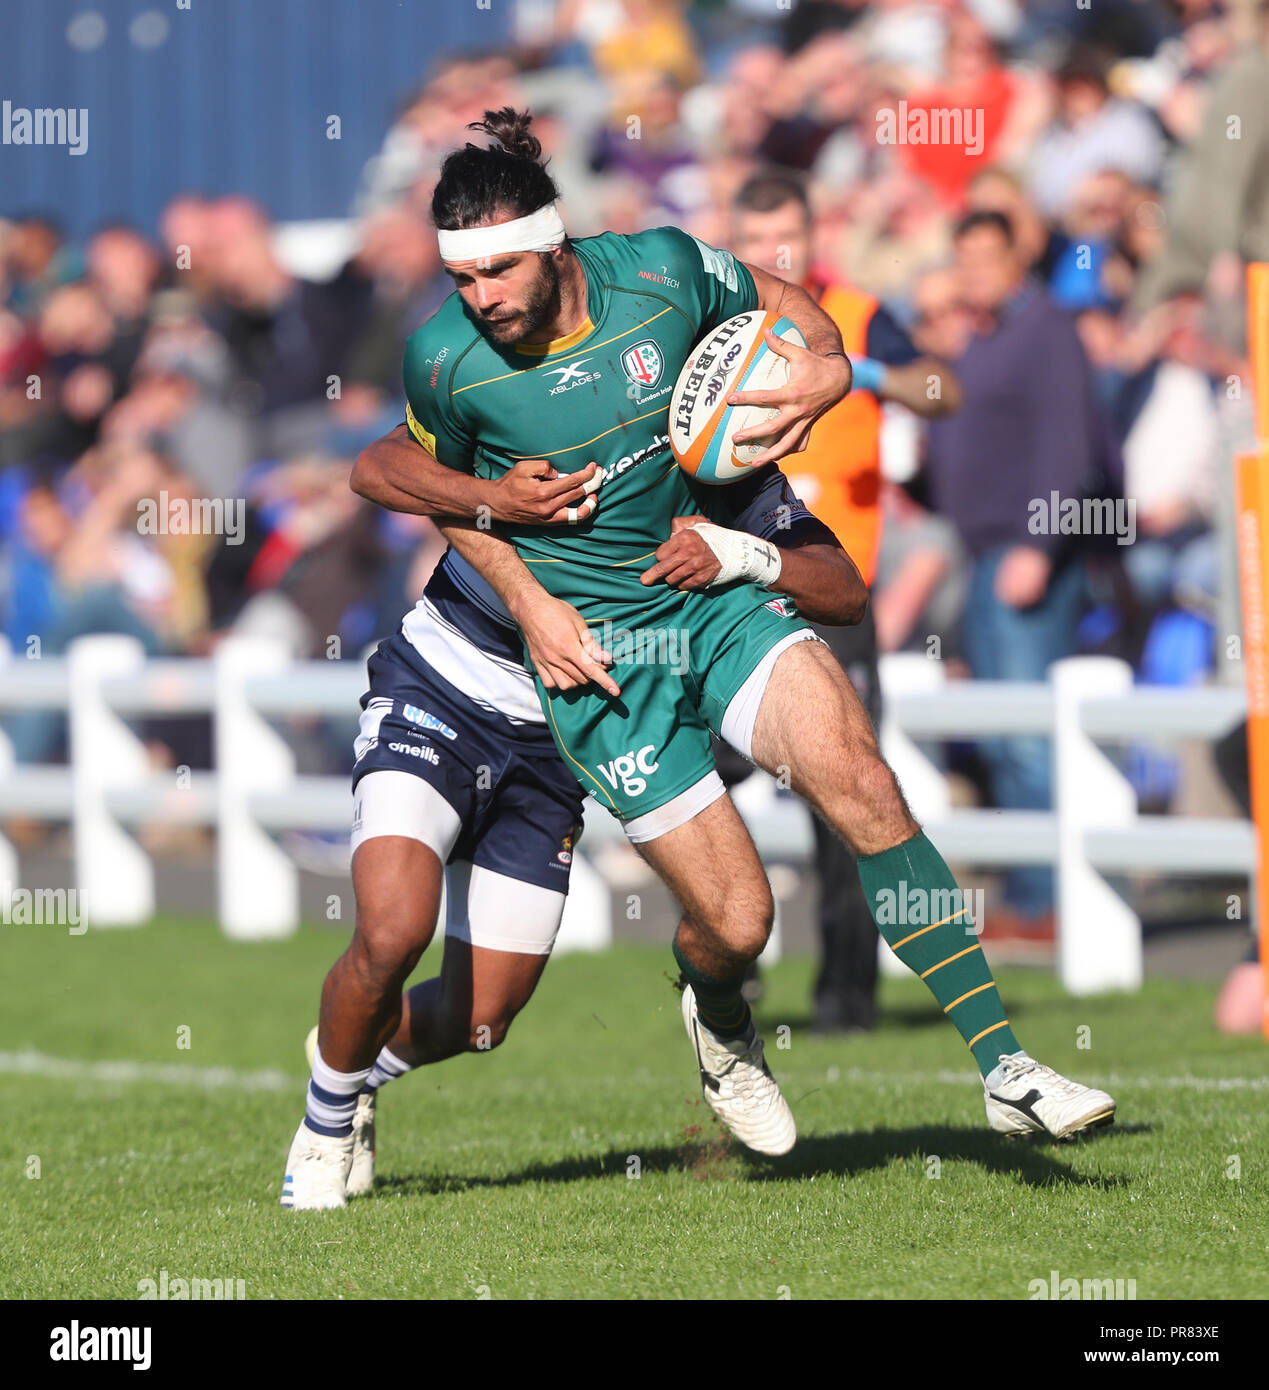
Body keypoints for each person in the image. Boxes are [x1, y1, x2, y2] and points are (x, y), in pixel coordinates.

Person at [299, 108, 1115, 1206]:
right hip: (601, 665)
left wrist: (828, 368)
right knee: (734, 923)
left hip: (714, 606)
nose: (481, 296)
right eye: (463, 277)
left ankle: (1003, 1065)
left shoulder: (666, 271)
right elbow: (390, 470)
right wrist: (503, 521)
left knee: (862, 779)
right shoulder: (449, 356)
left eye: (499, 270)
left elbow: (784, 308)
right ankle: (719, 1018)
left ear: (553, 243)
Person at [728, 167, 962, 1034]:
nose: (771, 255)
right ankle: (724, 964)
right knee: (696, 783)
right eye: (754, 244)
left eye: (784, 238)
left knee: (848, 807)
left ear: (812, 235)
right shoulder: (710, 329)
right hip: (734, 595)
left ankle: (847, 1003)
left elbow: (944, 391)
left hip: (833, 600)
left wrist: (864, 374)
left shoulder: (858, 315)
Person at [925, 209, 1115, 937]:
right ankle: (1032, 896)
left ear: (1018, 259)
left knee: (1030, 735)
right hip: (984, 554)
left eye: (986, 257)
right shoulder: (982, 339)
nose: (974, 270)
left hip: (1023, 555)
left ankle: (1052, 903)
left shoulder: (1048, 331)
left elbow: (1072, 450)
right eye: (962, 256)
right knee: (1002, 732)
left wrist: (1039, 545)